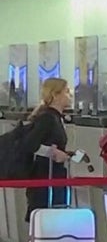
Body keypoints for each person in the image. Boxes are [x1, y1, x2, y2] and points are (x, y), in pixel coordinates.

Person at [21, 78, 73, 220]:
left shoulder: (56, 118)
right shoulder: (47, 118)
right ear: (55, 95)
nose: (70, 95)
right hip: (44, 178)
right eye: (66, 92)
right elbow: (29, 144)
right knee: (45, 221)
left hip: (53, 176)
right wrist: (53, 153)